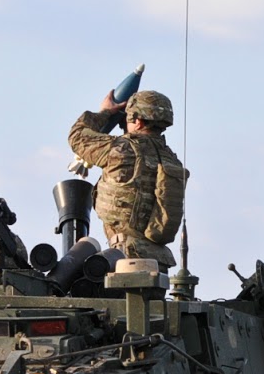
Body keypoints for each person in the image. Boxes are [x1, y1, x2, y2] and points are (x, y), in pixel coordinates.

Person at [68, 89, 187, 267]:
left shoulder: (121, 149)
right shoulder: (172, 160)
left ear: (138, 122)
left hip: (126, 257)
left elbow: (77, 136)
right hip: (158, 260)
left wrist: (106, 112)